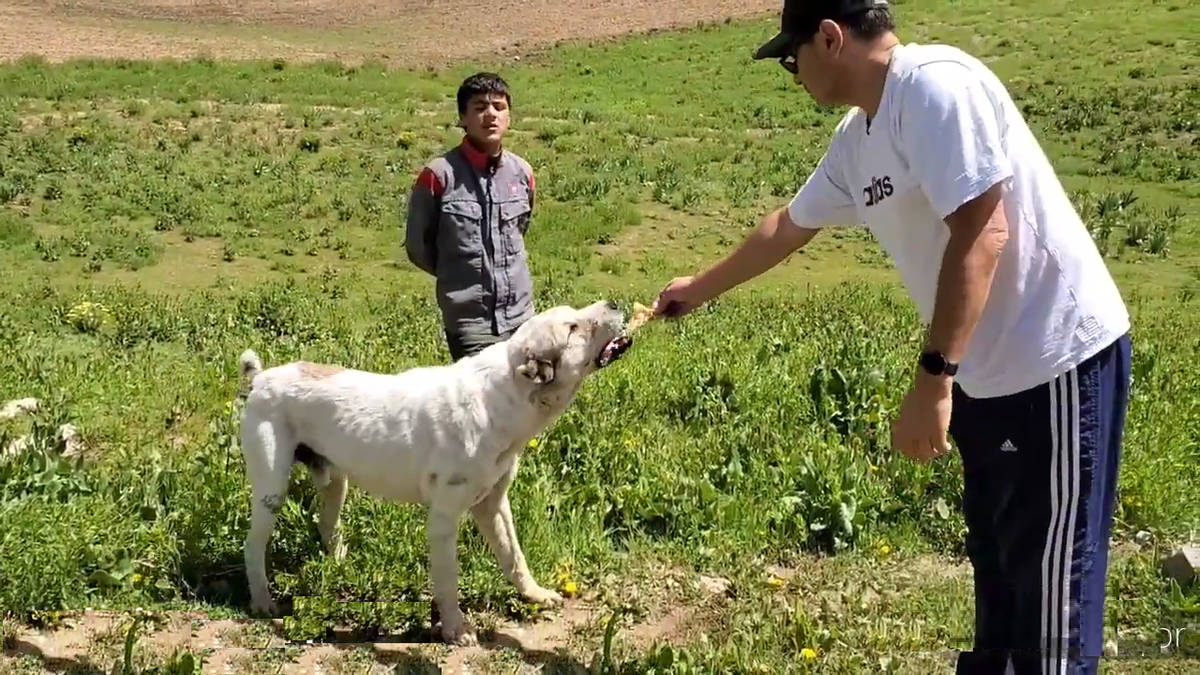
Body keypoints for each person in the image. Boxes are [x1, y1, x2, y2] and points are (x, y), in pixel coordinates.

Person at [654, 1, 1131, 673]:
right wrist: (698, 287)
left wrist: (933, 377)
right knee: (1000, 569)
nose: (793, 74)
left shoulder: (934, 87)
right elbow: (789, 226)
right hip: (984, 375)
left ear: (830, 37)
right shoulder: (860, 136)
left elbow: (983, 234)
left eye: (793, 59)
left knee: (1051, 599)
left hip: (1054, 361)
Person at [405, 72, 537, 362]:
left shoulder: (522, 173)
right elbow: (418, 246)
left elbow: (520, 230)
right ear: (462, 118)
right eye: (479, 107)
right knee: (481, 405)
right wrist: (459, 275)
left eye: (499, 107)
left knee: (528, 401)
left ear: (509, 117)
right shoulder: (439, 176)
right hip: (470, 323)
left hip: (521, 318)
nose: (490, 114)